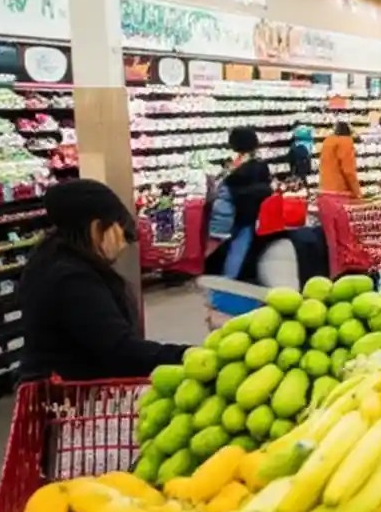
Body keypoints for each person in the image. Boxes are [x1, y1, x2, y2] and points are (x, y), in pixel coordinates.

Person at [19, 180, 186, 379]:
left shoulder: (50, 257)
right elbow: (119, 349)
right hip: (66, 397)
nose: (123, 244)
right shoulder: (72, 279)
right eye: (120, 232)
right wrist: (186, 356)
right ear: (96, 227)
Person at [217, 128, 272, 279]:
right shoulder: (257, 165)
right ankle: (231, 279)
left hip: (233, 213)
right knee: (240, 247)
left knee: (235, 247)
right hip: (249, 213)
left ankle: (228, 278)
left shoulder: (235, 165)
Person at [319, 121, 362, 199]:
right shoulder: (345, 142)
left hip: (325, 188)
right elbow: (348, 170)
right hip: (340, 191)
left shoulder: (327, 141)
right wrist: (357, 191)